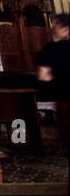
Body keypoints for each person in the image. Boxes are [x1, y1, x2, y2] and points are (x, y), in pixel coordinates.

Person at [34, 13, 70, 151]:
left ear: (64, 29)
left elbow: (44, 75)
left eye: (55, 25)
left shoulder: (51, 49)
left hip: (64, 97)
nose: (52, 28)